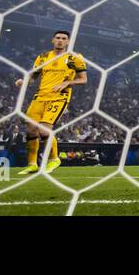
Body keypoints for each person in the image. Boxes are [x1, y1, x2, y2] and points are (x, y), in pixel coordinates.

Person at [15, 29, 87, 176]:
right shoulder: (42, 58)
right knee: (30, 130)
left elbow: (83, 79)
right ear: (52, 40)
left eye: (64, 38)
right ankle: (32, 164)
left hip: (59, 97)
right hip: (40, 97)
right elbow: (33, 76)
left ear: (68, 42)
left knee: (44, 129)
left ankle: (54, 159)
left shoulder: (74, 58)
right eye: (58, 38)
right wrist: (24, 81)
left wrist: (67, 83)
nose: (60, 40)